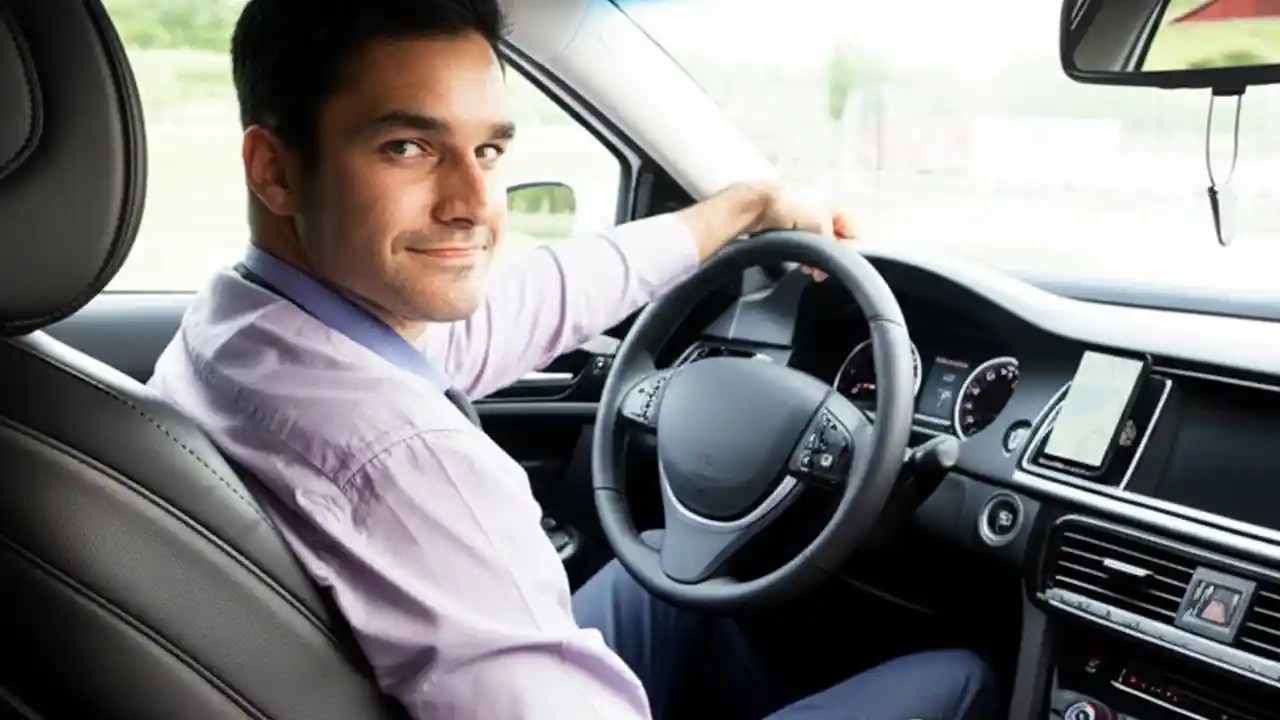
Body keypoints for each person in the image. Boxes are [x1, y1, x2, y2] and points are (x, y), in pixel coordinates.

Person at [146, 1, 997, 718]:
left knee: (670, 566)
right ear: (275, 170)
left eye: (488, 150)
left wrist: (737, 211)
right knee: (959, 679)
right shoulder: (403, 459)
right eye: (408, 147)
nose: (476, 205)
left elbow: (512, 312)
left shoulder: (243, 321)